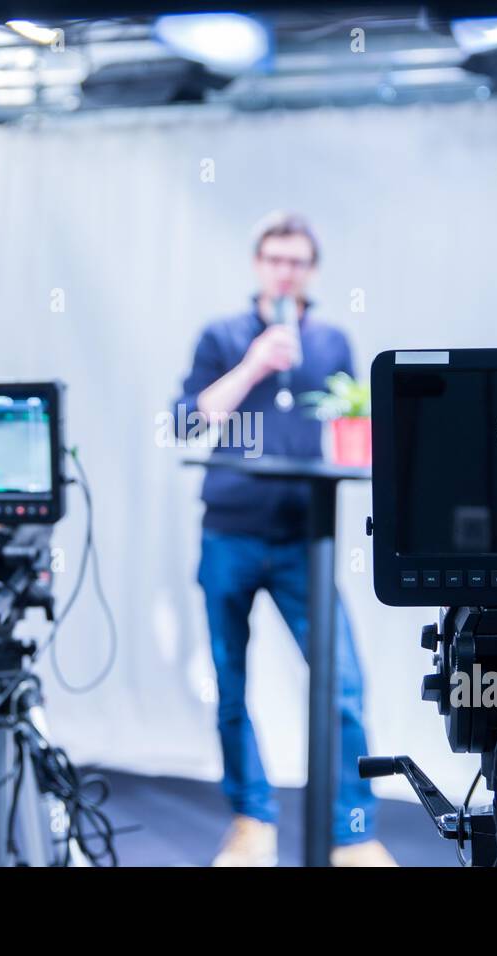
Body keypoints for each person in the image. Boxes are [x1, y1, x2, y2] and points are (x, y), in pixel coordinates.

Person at [173, 212, 395, 867]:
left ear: (311, 271)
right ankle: (252, 823)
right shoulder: (222, 336)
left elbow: (354, 421)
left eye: (297, 261)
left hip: (305, 539)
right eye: (274, 259)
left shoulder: (331, 342)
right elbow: (186, 423)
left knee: (344, 686)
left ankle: (351, 833)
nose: (285, 271)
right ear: (258, 264)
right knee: (230, 684)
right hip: (229, 536)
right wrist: (252, 363)